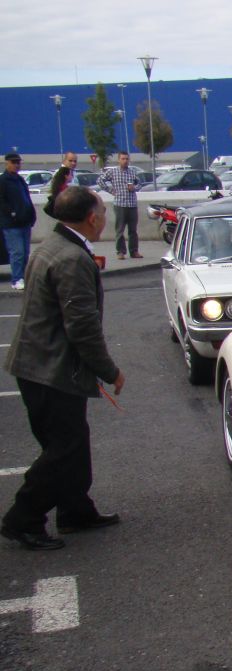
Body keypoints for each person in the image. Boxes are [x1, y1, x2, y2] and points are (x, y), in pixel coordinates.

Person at [1, 187, 124, 551]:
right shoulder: (71, 259)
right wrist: (109, 370)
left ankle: (75, 510)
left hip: (38, 365)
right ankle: (22, 518)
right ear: (91, 217)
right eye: (103, 210)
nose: (105, 216)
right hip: (50, 370)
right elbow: (82, 327)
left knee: (71, 443)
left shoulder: (52, 247)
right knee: (64, 449)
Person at [0, 152, 36, 291]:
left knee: (25, 252)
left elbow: (26, 198)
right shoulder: (3, 181)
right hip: (11, 224)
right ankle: (16, 279)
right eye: (13, 162)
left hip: (25, 222)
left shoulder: (20, 180)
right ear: (7, 163)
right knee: (17, 252)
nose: (16, 165)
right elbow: (1, 201)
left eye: (18, 162)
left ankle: (24, 276)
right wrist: (12, 213)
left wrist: (32, 214)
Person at [98, 151, 141, 259]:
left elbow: (140, 183)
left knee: (133, 230)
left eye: (127, 159)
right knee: (120, 230)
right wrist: (110, 190)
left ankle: (134, 251)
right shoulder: (113, 172)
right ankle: (120, 251)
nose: (125, 161)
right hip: (120, 204)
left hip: (132, 204)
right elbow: (100, 180)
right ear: (118, 160)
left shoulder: (132, 172)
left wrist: (134, 188)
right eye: (123, 159)